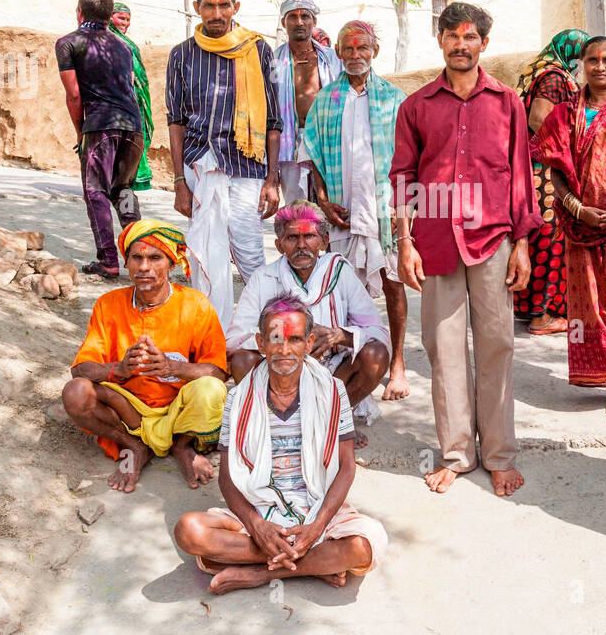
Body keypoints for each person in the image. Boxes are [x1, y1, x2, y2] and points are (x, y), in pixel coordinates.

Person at [390, 2, 541, 497]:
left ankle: (499, 455)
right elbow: (403, 177)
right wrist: (405, 241)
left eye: (470, 36)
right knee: (444, 350)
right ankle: (457, 454)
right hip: (434, 241)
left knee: (497, 345)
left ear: (483, 43)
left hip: (493, 239)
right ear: (440, 42)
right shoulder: (417, 106)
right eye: (452, 36)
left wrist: (522, 244)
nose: (461, 44)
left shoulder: (507, 103)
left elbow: (521, 176)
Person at [173, 295, 389, 594]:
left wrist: (315, 528)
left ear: (310, 343)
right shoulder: (238, 399)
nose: (285, 350)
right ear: (260, 344)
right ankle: (313, 564)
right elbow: (227, 476)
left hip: (316, 508)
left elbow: (346, 468)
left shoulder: (332, 390)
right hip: (260, 508)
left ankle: (259, 573)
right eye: (275, 339)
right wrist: (256, 526)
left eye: (295, 339)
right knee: (189, 531)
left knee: (367, 544)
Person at [63, 221, 230, 492]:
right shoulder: (108, 304)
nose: (144, 267)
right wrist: (119, 369)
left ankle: (182, 445)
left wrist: (171, 367)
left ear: (172, 264)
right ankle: (134, 445)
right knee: (76, 392)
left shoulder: (196, 304)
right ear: (126, 263)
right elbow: (81, 370)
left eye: (155, 258)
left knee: (210, 389)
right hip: (127, 411)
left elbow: (219, 372)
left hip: (179, 409)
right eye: (136, 258)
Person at [535, 36, 606, 418]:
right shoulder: (565, 113)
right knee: (597, 308)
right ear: (581, 65)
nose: (600, 67)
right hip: (582, 227)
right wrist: (578, 208)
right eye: (592, 60)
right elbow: (555, 169)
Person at [166, 0, 283, 323]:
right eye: (208, 6)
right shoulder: (182, 54)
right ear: (196, 7)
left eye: (224, 6)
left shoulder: (259, 50)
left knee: (249, 252)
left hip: (246, 164)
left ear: (236, 6)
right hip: (199, 164)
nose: (217, 14)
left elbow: (274, 121)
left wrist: (272, 180)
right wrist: (178, 182)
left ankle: (269, 324)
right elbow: (176, 121)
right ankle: (208, 329)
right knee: (205, 250)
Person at [224, 200, 390, 448]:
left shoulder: (339, 272)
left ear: (323, 241)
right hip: (279, 372)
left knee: (376, 354)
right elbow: (234, 340)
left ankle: (334, 419)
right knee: (240, 360)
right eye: (292, 238)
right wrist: (287, 342)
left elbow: (378, 332)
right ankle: (280, 422)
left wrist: (339, 335)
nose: (302, 245)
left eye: (309, 237)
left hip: (333, 372)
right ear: (279, 245)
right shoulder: (263, 279)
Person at [303, 19, 410, 400]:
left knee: (394, 284)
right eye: (347, 49)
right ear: (338, 53)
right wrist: (320, 197)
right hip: (342, 211)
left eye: (362, 47)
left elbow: (408, 159)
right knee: (338, 289)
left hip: (382, 208)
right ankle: (343, 363)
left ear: (374, 51)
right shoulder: (326, 99)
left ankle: (396, 363)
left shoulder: (395, 99)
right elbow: (312, 151)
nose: (355, 55)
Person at [56, 0, 144, 278]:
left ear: (79, 12)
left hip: (101, 126)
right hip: (133, 126)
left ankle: (107, 259)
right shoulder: (123, 46)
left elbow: (74, 95)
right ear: (109, 14)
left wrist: (81, 130)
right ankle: (141, 254)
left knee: (95, 191)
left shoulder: (69, 43)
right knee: (123, 189)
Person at [512, 28, 588, 335]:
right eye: (582, 56)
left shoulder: (541, 72)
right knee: (549, 237)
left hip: (536, 165)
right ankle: (541, 317)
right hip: (544, 168)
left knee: (542, 235)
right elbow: (538, 118)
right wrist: (570, 147)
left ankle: (533, 308)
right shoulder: (555, 77)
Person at [272, 0, 341, 204]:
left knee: (331, 203)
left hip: (327, 142)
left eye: (305, 16)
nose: (299, 21)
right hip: (289, 146)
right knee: (297, 207)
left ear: (314, 21)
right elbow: (268, 111)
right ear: (284, 22)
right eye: (292, 16)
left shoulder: (333, 60)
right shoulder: (273, 62)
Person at [108, 1, 154, 192]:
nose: (125, 23)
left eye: (128, 19)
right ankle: (115, 181)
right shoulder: (108, 40)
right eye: (121, 18)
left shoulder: (125, 41)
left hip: (136, 96)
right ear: (110, 17)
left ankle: (126, 179)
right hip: (120, 99)